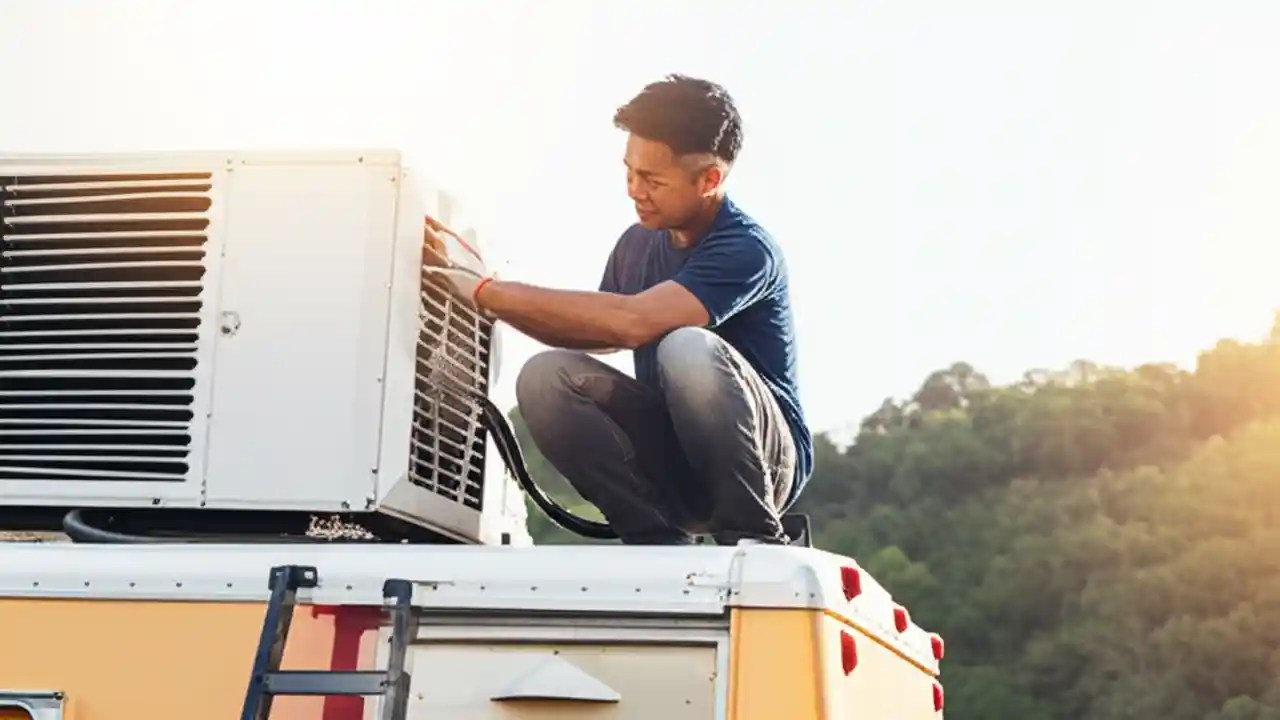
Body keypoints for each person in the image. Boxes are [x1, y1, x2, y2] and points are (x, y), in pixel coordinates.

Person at [424, 74, 812, 546]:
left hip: (765, 467)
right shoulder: (636, 245)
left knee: (685, 347)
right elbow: (599, 331)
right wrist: (473, 284)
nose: (634, 189)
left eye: (652, 180)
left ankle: (751, 539)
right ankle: (656, 542)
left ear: (710, 179)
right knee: (544, 376)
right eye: (628, 171)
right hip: (677, 465)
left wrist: (487, 291)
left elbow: (631, 322)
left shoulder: (747, 249)